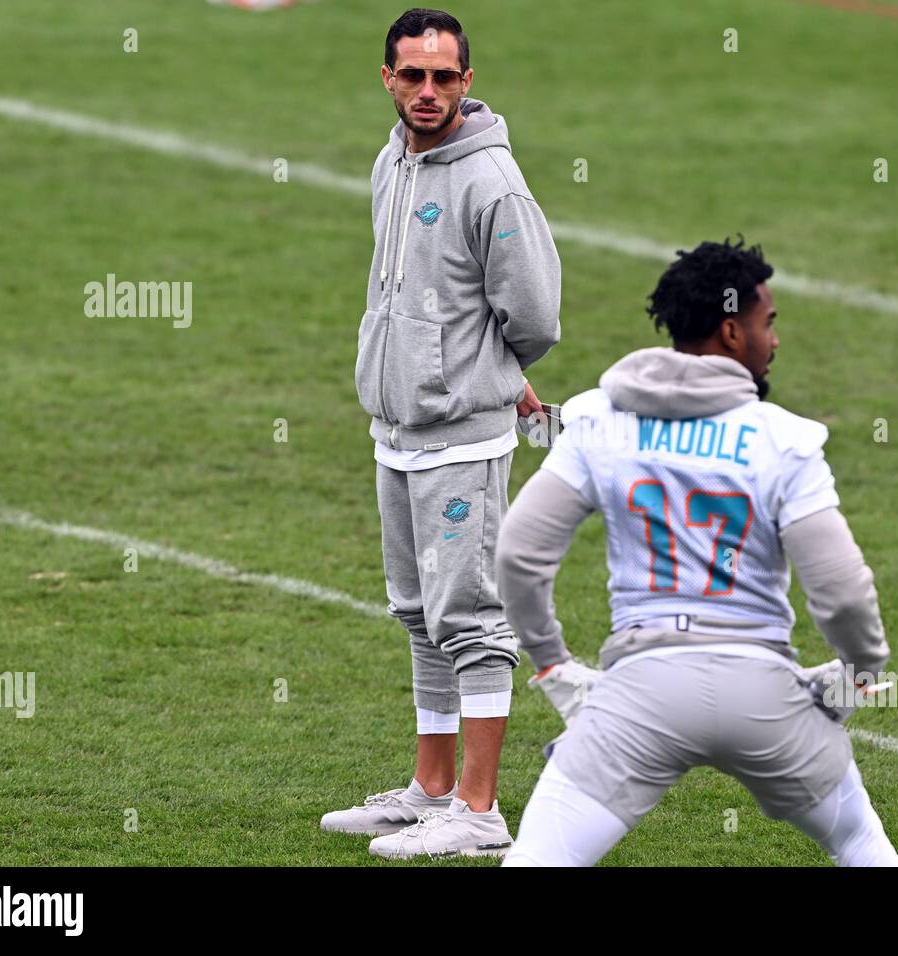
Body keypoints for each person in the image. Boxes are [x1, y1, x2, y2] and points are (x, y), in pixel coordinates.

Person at [495, 237, 898, 866]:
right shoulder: (783, 438)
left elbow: (520, 553)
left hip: (641, 691)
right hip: (762, 694)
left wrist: (553, 666)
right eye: (768, 324)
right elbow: (843, 590)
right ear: (734, 332)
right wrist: (859, 672)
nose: (775, 340)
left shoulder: (598, 420)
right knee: (858, 841)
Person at [320, 7, 561, 860]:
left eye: (444, 77)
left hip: (460, 433)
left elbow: (533, 311)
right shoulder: (392, 158)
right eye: (412, 75)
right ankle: (429, 790)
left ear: (467, 80)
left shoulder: (491, 183)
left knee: (472, 619)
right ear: (386, 78)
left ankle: (481, 809)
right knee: (419, 614)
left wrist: (485, 375)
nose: (428, 91)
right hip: (396, 427)